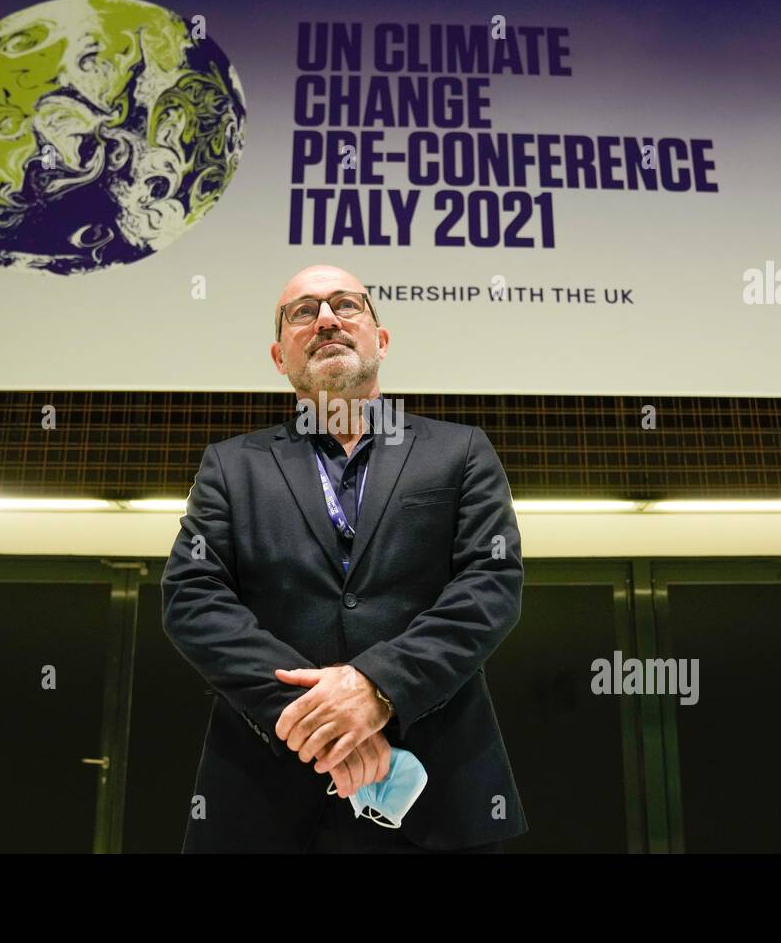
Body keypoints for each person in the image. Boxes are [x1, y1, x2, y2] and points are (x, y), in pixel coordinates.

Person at [161, 263, 528, 852]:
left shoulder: (460, 451)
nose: (326, 319)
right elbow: (192, 599)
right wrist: (325, 723)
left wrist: (379, 688)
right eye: (303, 312)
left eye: (345, 305)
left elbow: (490, 586)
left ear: (380, 339)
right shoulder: (231, 467)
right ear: (280, 356)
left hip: (440, 798)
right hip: (261, 800)